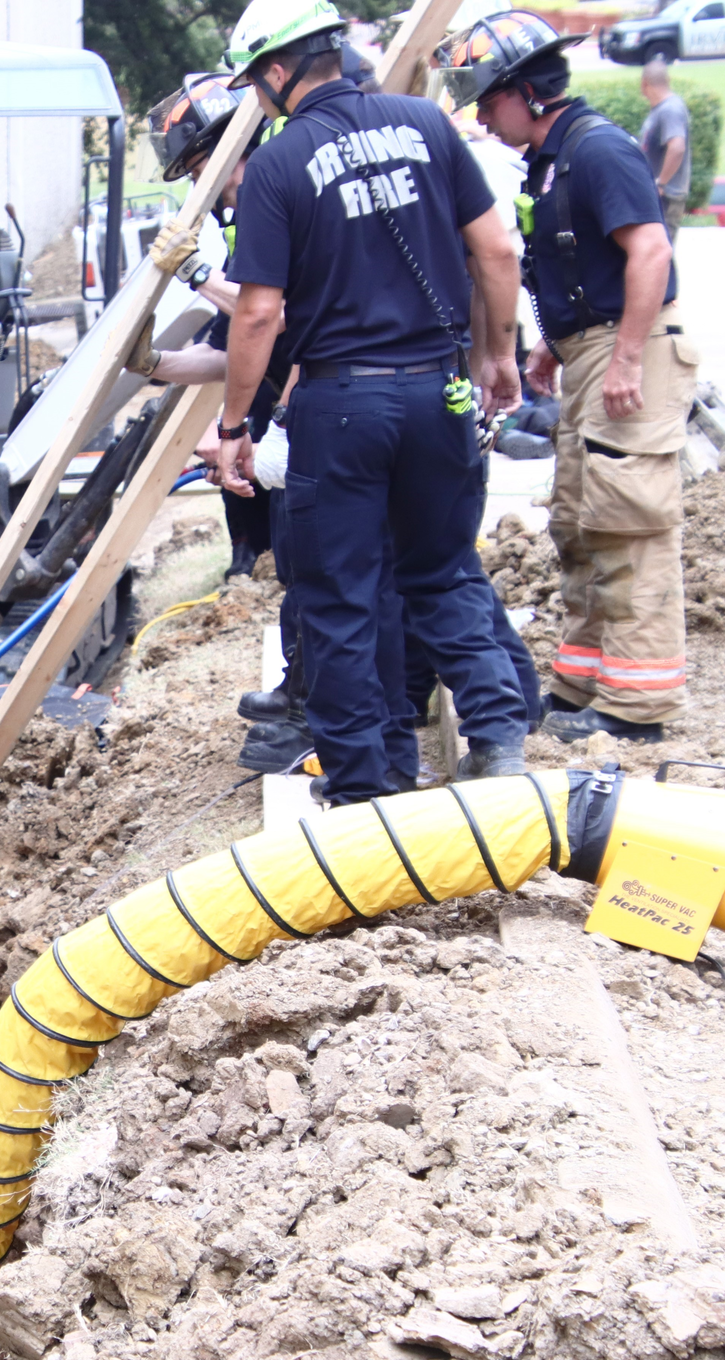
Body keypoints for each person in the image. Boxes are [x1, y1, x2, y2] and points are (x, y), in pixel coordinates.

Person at [212, 0, 531, 806]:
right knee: (444, 571)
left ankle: (368, 784)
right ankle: (496, 740)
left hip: (343, 404)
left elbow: (257, 313)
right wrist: (497, 354)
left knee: (341, 596)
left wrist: (233, 425)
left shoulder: (281, 167)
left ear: (278, 72)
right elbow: (496, 248)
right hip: (439, 388)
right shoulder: (426, 123)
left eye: (256, 81)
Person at [444, 12, 694, 745]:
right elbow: (582, 260)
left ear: (528, 92)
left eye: (488, 101)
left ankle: (637, 707)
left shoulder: (599, 152)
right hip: (593, 348)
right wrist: (555, 347)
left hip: (630, 350)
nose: (482, 116)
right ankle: (586, 682)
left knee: (629, 522)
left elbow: (649, 253)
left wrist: (622, 358)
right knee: (582, 521)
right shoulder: (554, 160)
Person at [130, 75, 313, 776]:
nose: (203, 188)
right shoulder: (251, 219)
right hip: (297, 406)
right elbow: (232, 341)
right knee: (299, 560)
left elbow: (274, 312)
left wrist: (199, 271)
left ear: (228, 149)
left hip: (322, 405)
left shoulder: (286, 199)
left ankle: (316, 710)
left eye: (200, 170)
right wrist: (159, 364)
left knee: (320, 562)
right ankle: (301, 690)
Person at [638, 59, 691, 242]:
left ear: (644, 83)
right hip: (659, 195)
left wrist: (661, 184)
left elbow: (677, 147)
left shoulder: (670, 109)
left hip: (666, 196)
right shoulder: (662, 109)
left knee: (660, 254)